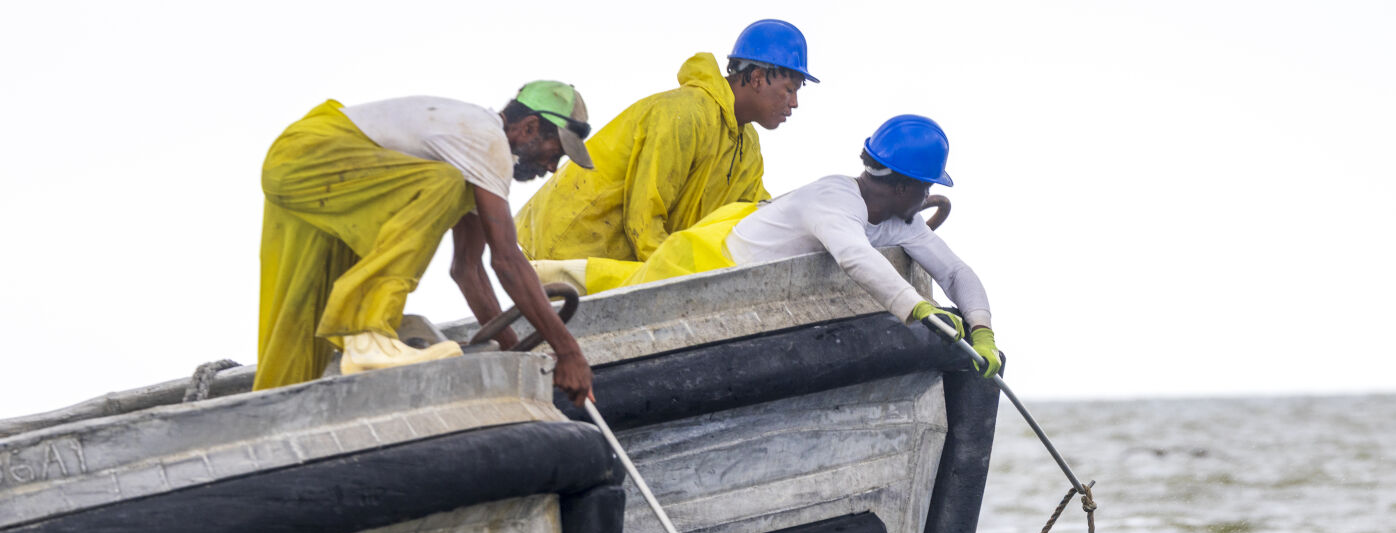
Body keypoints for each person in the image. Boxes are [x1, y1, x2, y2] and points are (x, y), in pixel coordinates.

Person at [536, 114, 1003, 380]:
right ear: (906, 188)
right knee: (610, 288)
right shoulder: (833, 202)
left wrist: (981, 329)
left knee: (611, 285)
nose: (929, 200)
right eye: (927, 189)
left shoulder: (901, 221)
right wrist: (918, 309)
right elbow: (854, 257)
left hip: (745, 261)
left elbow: (956, 273)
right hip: (705, 261)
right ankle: (532, 277)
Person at [256, 82, 596, 403]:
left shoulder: (470, 155)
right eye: (557, 152)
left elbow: (469, 271)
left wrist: (517, 355)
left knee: (305, 310)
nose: (553, 168)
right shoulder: (488, 142)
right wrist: (569, 353)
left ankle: (269, 409)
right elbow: (506, 260)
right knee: (443, 182)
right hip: (314, 153)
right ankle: (367, 332)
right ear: (530, 128)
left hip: (303, 168)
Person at [515, 19, 814, 265]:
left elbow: (755, 217)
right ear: (759, 77)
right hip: (563, 249)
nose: (795, 103)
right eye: (790, 89)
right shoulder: (685, 113)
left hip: (608, 264)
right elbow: (643, 223)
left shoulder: (746, 146)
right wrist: (677, 284)